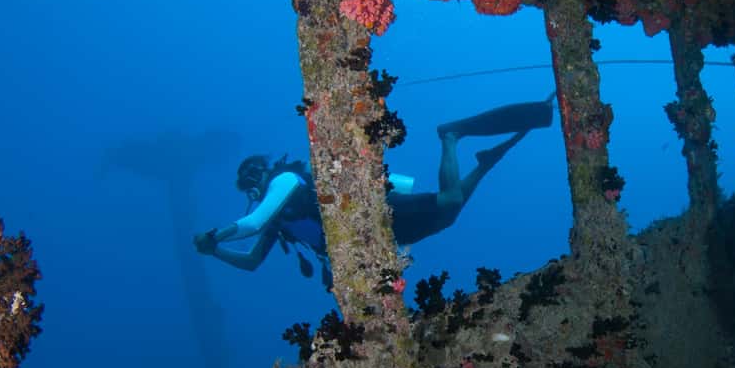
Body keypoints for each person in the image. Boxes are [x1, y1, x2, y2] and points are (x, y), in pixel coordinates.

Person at [192, 95, 556, 287]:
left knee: (448, 201)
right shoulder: (277, 221)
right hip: (366, 238)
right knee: (448, 217)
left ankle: (451, 136)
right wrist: (218, 253)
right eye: (250, 189)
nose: (255, 191)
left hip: (372, 213)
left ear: (261, 175)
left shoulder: (284, 181)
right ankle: (484, 163)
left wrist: (215, 235)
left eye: (253, 183)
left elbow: (253, 222)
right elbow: (253, 261)